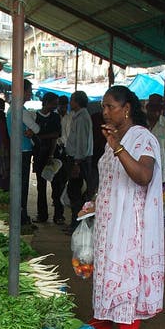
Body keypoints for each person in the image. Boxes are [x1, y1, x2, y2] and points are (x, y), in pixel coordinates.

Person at [89, 86, 164, 329]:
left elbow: (143, 176)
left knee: (126, 278)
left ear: (127, 109)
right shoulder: (114, 138)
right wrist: (96, 202)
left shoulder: (142, 139)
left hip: (130, 225)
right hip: (108, 223)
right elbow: (110, 180)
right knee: (106, 276)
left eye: (110, 106)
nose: (105, 112)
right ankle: (99, 328)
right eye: (103, 106)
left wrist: (118, 147)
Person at [6, 78, 40, 225]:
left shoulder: (11, 108)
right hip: (24, 150)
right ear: (23, 91)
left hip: (15, 149)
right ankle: (22, 216)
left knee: (17, 184)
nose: (30, 94)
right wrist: (32, 130)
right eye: (29, 91)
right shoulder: (21, 110)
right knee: (23, 185)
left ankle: (18, 214)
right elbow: (36, 128)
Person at [63, 90, 93, 233]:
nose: (70, 103)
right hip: (78, 159)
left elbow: (81, 142)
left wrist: (76, 163)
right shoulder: (79, 116)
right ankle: (75, 223)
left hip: (79, 160)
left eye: (72, 100)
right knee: (74, 192)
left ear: (77, 102)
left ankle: (77, 225)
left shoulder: (82, 118)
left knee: (76, 193)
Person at [31, 92, 61, 223]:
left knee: (56, 185)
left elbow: (56, 135)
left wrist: (51, 154)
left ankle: (58, 215)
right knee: (41, 186)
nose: (55, 106)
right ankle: (42, 215)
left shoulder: (55, 117)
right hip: (39, 155)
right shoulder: (35, 116)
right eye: (54, 103)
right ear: (46, 103)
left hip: (52, 154)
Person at [50, 95, 72, 224]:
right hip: (55, 152)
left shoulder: (70, 118)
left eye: (64, 105)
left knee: (62, 183)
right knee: (55, 183)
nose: (62, 108)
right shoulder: (54, 117)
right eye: (60, 105)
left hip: (66, 153)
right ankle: (58, 212)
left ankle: (59, 213)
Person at [146, 93, 165, 180]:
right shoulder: (141, 123)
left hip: (158, 167)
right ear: (147, 109)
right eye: (152, 110)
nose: (155, 113)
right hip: (142, 165)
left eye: (157, 110)